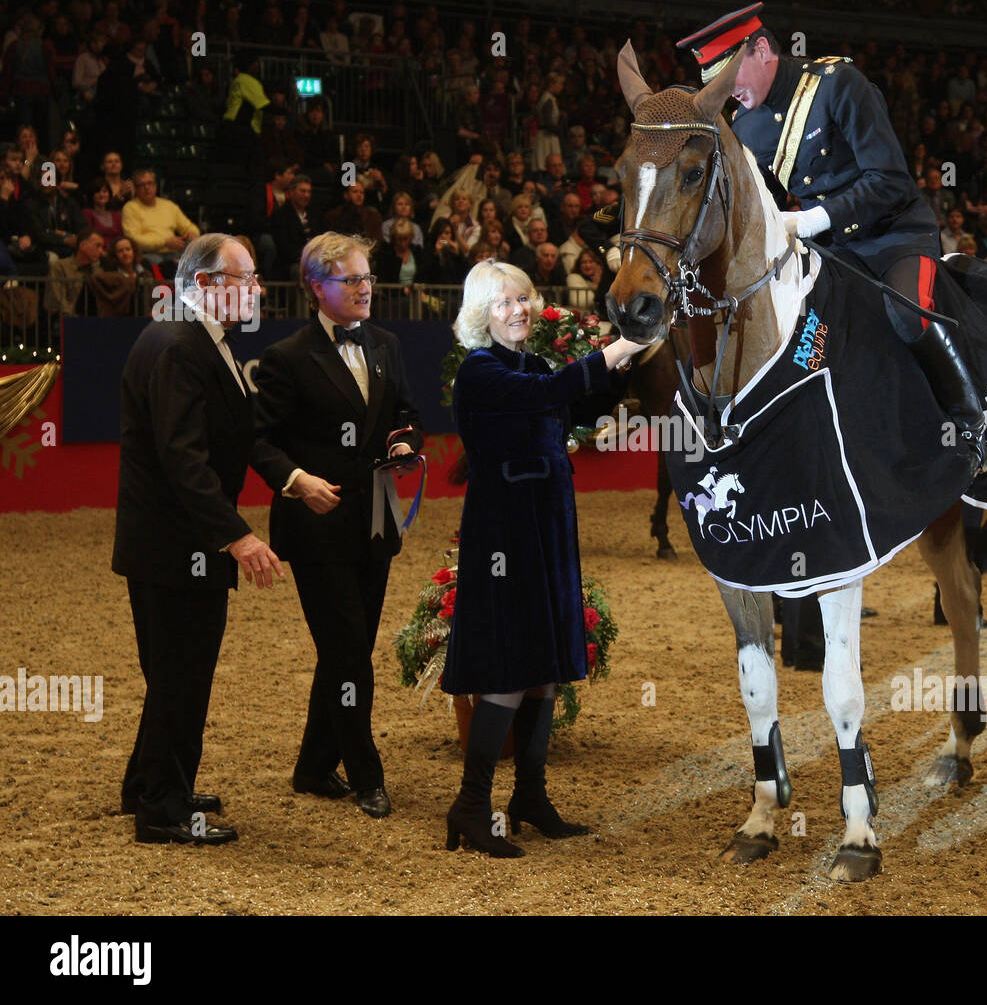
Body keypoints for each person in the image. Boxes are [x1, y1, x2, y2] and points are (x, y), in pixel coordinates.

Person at [678, 4, 987, 478]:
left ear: (761, 50)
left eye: (729, 78)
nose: (728, 94)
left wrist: (809, 220)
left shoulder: (838, 85)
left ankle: (971, 424)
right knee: (803, 345)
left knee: (909, 315)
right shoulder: (744, 126)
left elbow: (889, 180)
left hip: (892, 235)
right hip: (831, 252)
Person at [442, 259, 644, 856]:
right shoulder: (479, 371)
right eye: (504, 302)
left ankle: (529, 796)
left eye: (524, 299)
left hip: (548, 525)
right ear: (482, 313)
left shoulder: (531, 364)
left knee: (543, 670)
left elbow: (579, 408)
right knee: (508, 667)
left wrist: (621, 364)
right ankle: (471, 805)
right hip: (505, 531)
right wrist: (606, 356)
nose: (519, 310)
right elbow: (549, 394)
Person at [114, 233, 283, 845]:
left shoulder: (191, 338)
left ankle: (152, 782)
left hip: (167, 543)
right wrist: (236, 537)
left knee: (171, 672)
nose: (257, 290)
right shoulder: (183, 345)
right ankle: (163, 808)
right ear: (207, 284)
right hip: (176, 547)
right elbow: (184, 459)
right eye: (247, 278)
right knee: (183, 673)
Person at [253, 232, 424, 820]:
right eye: (351, 280)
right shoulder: (286, 358)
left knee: (344, 649)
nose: (364, 289)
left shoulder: (386, 344)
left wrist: (406, 440)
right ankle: (365, 771)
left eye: (367, 278)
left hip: (375, 520)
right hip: (316, 528)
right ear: (315, 286)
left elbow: (405, 412)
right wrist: (296, 479)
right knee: (349, 651)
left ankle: (311, 764)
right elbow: (259, 439)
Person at [122, 170, 200, 266]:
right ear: (136, 189)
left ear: (155, 186)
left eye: (150, 183)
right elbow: (133, 239)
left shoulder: (168, 205)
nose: (146, 187)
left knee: (195, 259)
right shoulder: (130, 208)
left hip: (173, 252)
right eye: (141, 185)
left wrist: (192, 233)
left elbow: (188, 226)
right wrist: (164, 243)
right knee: (163, 264)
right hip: (148, 254)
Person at [45, 228, 105, 317]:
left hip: (94, 322)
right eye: (97, 246)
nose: (101, 251)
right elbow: (57, 299)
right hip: (64, 321)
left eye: (102, 247)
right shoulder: (60, 266)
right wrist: (76, 317)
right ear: (83, 246)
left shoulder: (99, 271)